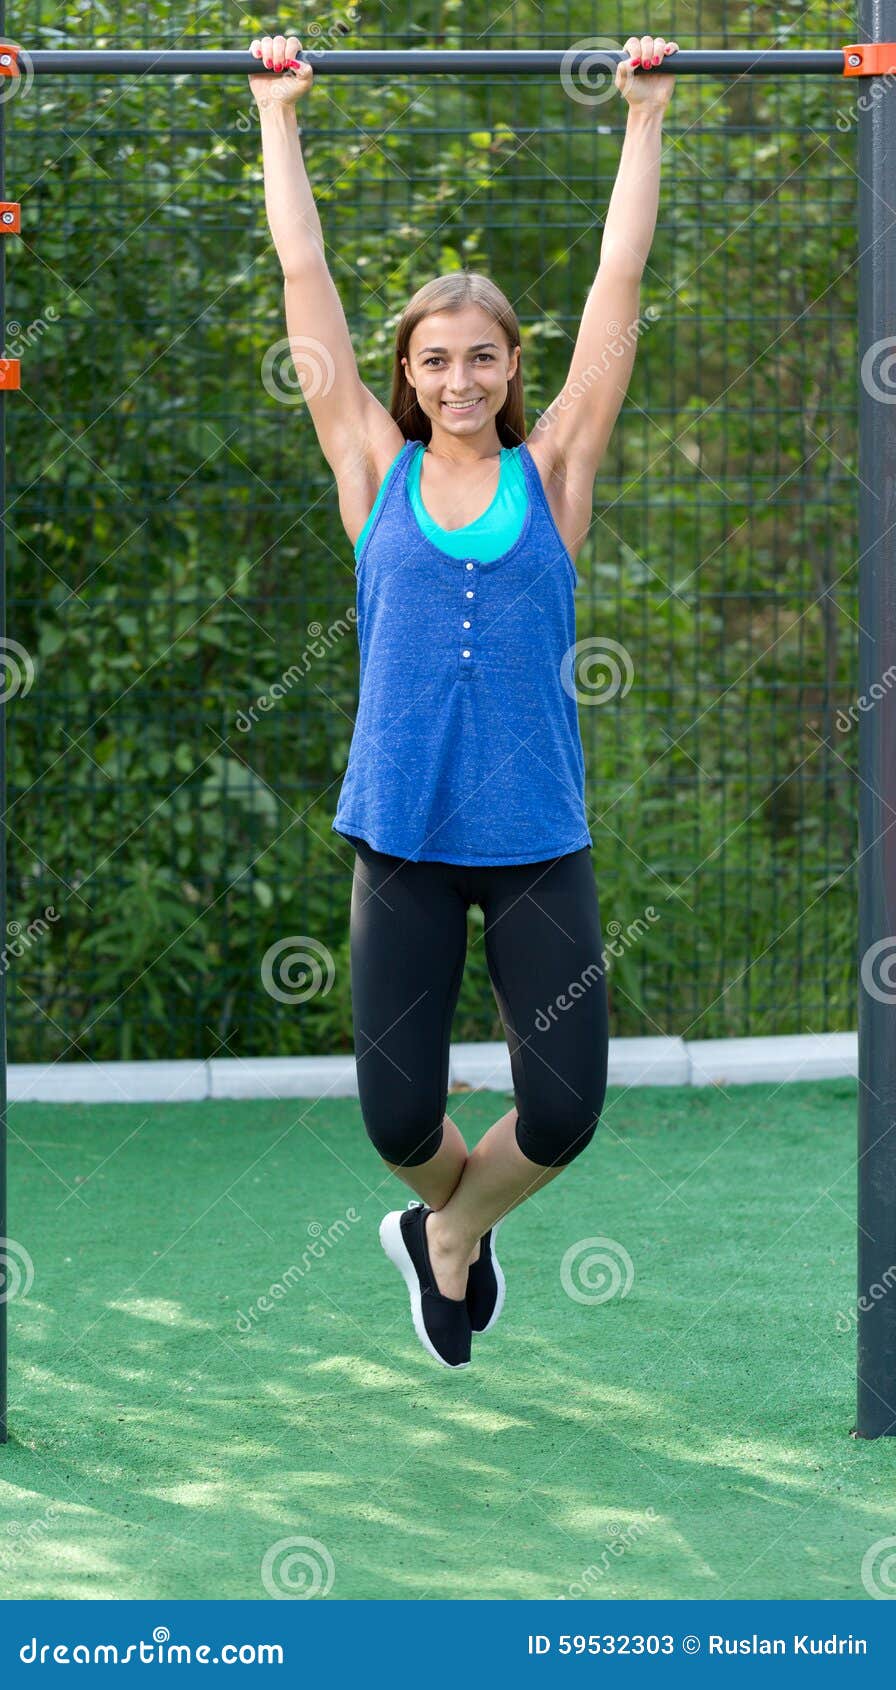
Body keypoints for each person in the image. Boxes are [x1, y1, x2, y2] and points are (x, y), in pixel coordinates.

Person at [249, 29, 679, 1368]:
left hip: (539, 834)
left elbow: (618, 285)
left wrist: (646, 117)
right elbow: (304, 276)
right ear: (408, 371)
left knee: (562, 1110)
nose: (458, 380)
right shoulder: (367, 468)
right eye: (436, 359)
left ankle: (446, 1235)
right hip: (404, 832)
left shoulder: (555, 475)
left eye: (482, 358)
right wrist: (277, 115)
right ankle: (450, 1218)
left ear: (510, 367)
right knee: (396, 1120)